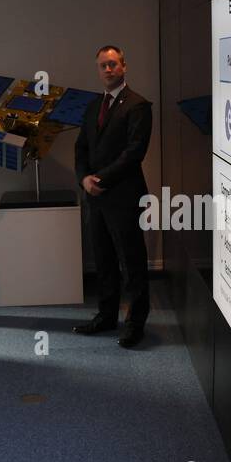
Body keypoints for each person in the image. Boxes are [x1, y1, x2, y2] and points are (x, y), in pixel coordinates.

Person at [73, 45, 152, 348]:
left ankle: (135, 324)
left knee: (131, 262)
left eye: (113, 64)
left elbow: (134, 153)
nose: (108, 70)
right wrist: (84, 178)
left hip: (123, 196)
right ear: (98, 69)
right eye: (103, 65)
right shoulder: (94, 106)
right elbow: (81, 147)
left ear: (124, 66)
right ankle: (106, 316)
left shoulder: (139, 106)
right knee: (103, 260)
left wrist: (101, 179)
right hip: (95, 197)